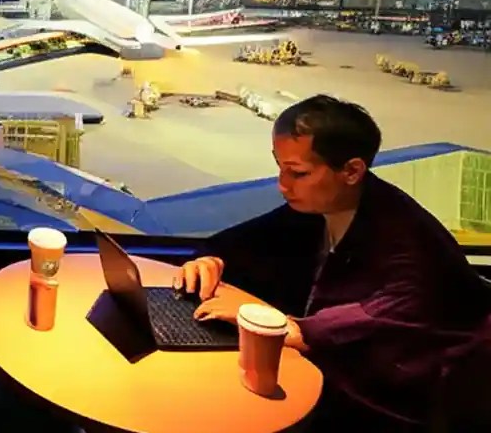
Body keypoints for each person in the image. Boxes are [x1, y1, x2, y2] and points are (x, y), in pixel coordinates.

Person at [173, 95, 491, 430]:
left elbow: (372, 318)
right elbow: (249, 240)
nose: (282, 184)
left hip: (411, 401)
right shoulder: (327, 206)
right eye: (279, 167)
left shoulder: (408, 242)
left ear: (352, 171)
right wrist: (209, 259)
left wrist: (266, 320)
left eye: (297, 172)